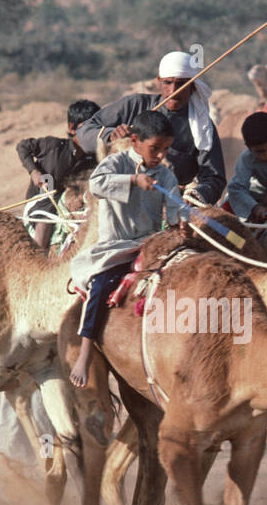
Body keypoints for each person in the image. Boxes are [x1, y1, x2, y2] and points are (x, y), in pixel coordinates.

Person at [68, 111, 190, 388]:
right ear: (135, 141)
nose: (160, 155)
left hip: (151, 244)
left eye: (165, 149)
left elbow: (175, 207)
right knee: (100, 286)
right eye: (154, 148)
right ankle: (85, 349)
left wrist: (180, 223)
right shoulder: (117, 163)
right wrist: (133, 181)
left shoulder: (165, 175)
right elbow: (96, 185)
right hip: (117, 247)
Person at [75, 51, 226, 205]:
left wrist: (194, 196)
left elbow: (214, 178)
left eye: (181, 84)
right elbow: (84, 132)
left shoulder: (202, 128)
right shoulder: (134, 105)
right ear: (159, 81)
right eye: (168, 82)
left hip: (169, 204)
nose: (174, 90)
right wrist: (110, 136)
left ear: (193, 86)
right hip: (119, 197)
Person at [16, 99, 100, 248]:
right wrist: (34, 171)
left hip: (74, 198)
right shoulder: (53, 145)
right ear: (72, 128)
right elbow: (23, 146)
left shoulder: (95, 155)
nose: (93, 134)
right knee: (45, 218)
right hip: (44, 198)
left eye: (97, 129)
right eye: (88, 129)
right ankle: (38, 259)